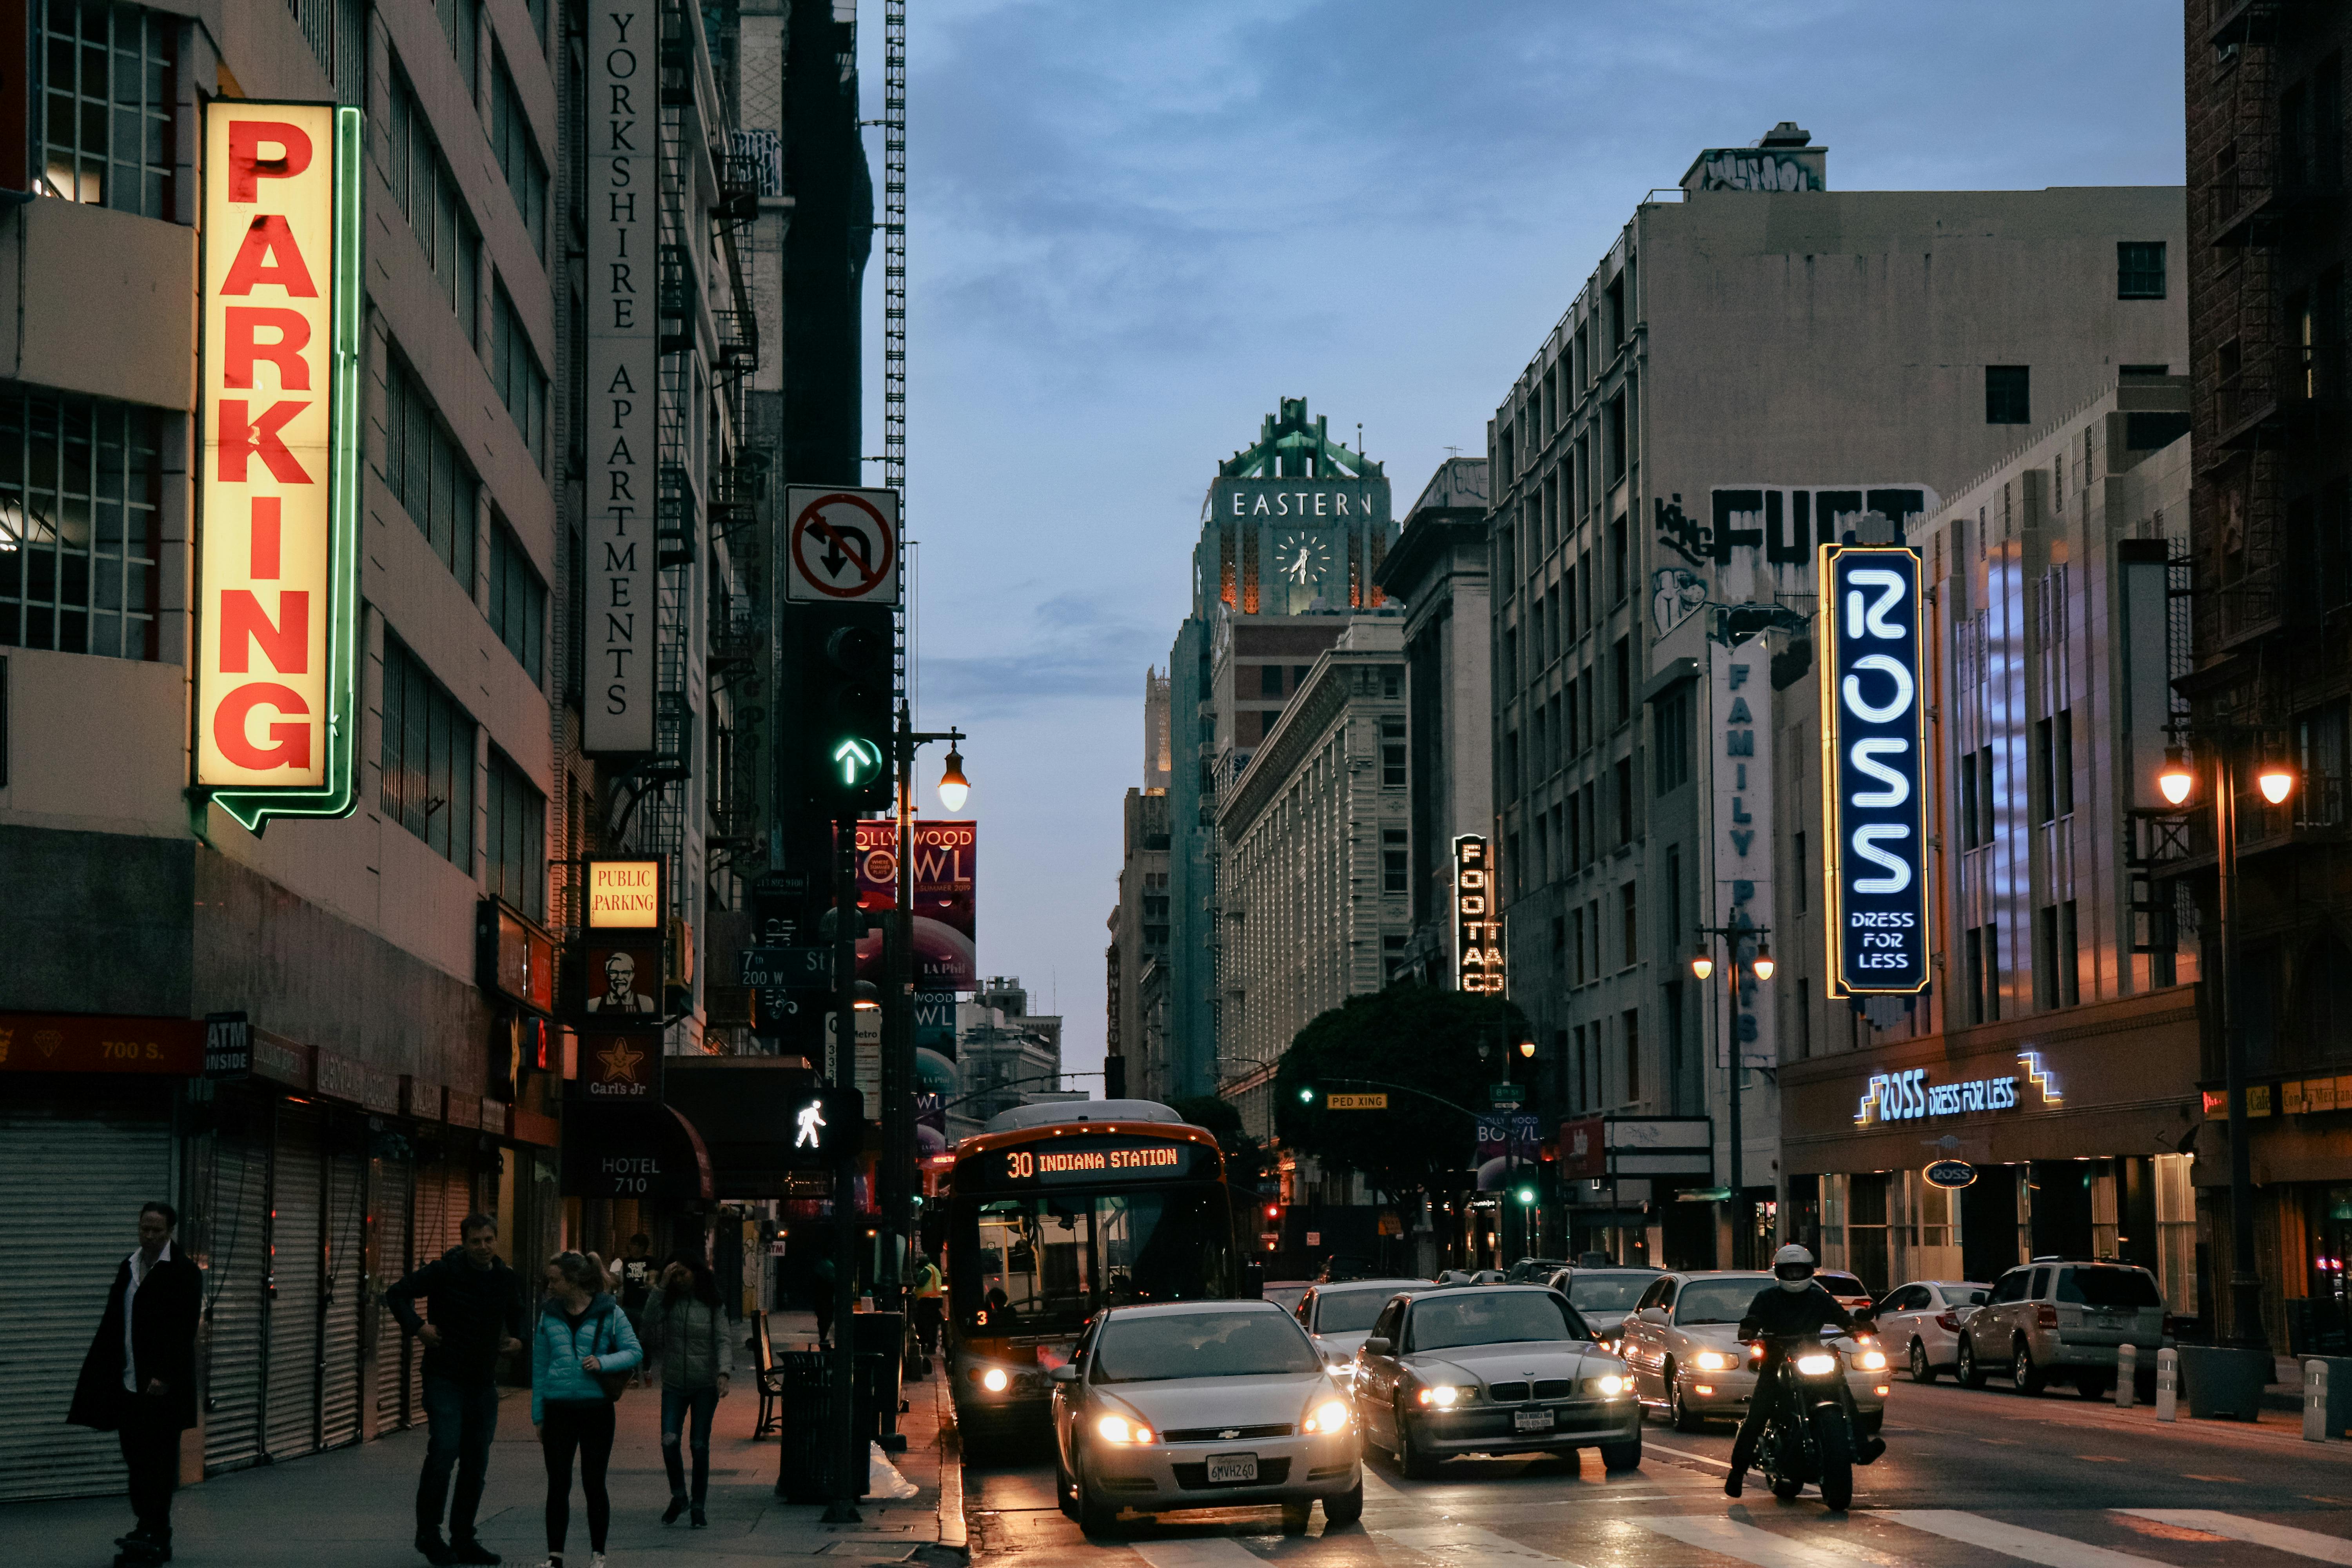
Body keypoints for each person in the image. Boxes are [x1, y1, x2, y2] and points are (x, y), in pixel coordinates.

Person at [385, 1213, 526, 1566]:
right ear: (464, 1243)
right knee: (444, 1452)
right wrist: (418, 1327)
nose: (483, 1247)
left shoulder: (505, 1278)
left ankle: (463, 1538)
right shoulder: (444, 1271)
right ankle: (429, 1536)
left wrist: (519, 1340)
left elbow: (519, 1313)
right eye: (476, 1241)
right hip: (444, 1377)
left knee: (476, 1460)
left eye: (489, 1240)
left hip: (482, 1381)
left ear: (497, 1241)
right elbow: (397, 1293)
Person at [68, 1201, 202, 1565]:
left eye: (157, 1231)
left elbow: (183, 1330)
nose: (150, 1236)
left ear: (170, 1231)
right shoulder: (128, 1268)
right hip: (128, 1383)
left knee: (157, 1460)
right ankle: (146, 1525)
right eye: (145, 1229)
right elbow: (115, 1322)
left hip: (160, 1389)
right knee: (135, 1457)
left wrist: (165, 1375)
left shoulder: (183, 1272)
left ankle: (156, 1530)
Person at [1723, 1243, 1886, 1499]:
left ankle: (1862, 1448)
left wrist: (1857, 1327)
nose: (1796, 1277)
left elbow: (1842, 1318)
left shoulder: (1819, 1296)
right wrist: (1749, 1330)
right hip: (1777, 1360)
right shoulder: (1767, 1298)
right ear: (1781, 1273)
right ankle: (1737, 1471)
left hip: (1813, 1355)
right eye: (1791, 1272)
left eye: (1801, 1271)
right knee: (1759, 1412)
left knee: (1842, 1390)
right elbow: (1753, 1319)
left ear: (1809, 1271)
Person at [532, 1252, 641, 1568]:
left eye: (554, 1280)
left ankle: (598, 1554)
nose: (549, 1287)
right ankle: (555, 1557)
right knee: (558, 1484)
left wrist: (603, 1362)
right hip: (558, 1408)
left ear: (573, 1280)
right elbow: (540, 1366)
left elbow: (634, 1351)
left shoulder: (610, 1312)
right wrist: (538, 1414)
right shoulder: (548, 1315)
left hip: (596, 1409)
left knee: (594, 1481)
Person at [650, 1251, 735, 1527]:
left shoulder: (712, 1303)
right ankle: (679, 1497)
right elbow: (648, 1325)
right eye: (674, 1275)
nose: (679, 1280)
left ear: (696, 1273)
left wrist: (723, 1372)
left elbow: (723, 1339)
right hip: (674, 1382)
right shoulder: (669, 1300)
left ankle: (698, 1506)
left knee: (699, 1445)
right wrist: (661, 1287)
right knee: (669, 1441)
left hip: (704, 1384)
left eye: (682, 1274)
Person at [616, 1236, 657, 1388]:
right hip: (628, 1306)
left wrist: (651, 1283)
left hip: (645, 1307)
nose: (630, 1247)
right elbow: (618, 1282)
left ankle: (647, 1369)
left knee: (645, 1340)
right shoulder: (623, 1263)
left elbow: (653, 1276)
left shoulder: (651, 1262)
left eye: (633, 1244)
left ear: (641, 1247)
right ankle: (633, 1374)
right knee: (629, 1341)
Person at [911, 1252, 945, 1363]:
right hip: (935, 1300)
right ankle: (931, 1345)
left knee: (924, 1323)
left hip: (927, 1301)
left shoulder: (927, 1270)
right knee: (932, 1325)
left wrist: (914, 1279)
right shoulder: (935, 1269)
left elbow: (920, 1282)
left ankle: (926, 1344)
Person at [809, 1251, 837, 1347]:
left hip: (819, 1297)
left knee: (822, 1318)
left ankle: (823, 1337)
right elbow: (833, 1281)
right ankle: (823, 1337)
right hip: (827, 1297)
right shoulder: (830, 1266)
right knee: (827, 1318)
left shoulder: (820, 1265)